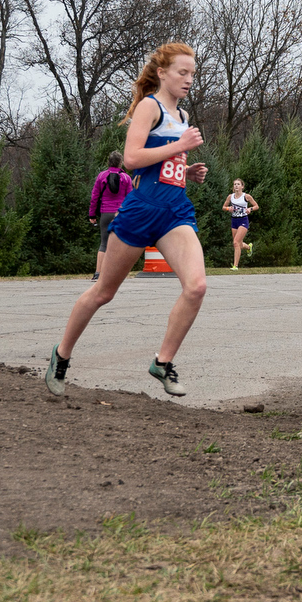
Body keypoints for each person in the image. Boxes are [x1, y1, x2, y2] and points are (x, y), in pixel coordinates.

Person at [45, 43, 210, 400]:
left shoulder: (181, 116)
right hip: (139, 211)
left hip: (174, 212)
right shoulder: (149, 107)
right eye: (182, 72)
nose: (189, 79)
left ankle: (162, 363)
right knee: (104, 291)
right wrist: (179, 145)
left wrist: (187, 169)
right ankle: (60, 357)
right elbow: (132, 159)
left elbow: (163, 164)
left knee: (196, 286)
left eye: (192, 73)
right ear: (162, 73)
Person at [89, 153, 132, 281]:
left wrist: (92, 214)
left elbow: (94, 197)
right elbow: (130, 199)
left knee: (104, 244)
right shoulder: (126, 178)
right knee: (120, 244)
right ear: (120, 163)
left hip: (105, 213)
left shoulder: (102, 176)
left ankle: (98, 273)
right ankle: (116, 274)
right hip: (120, 214)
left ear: (109, 162)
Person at [224, 178, 259, 270]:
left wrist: (250, 209)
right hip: (234, 220)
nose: (236, 186)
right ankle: (248, 247)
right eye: (235, 184)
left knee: (236, 242)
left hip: (243, 220)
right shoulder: (230, 197)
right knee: (238, 243)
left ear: (242, 186)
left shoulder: (246, 196)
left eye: (238, 184)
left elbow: (256, 206)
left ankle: (235, 266)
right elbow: (224, 207)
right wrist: (228, 209)